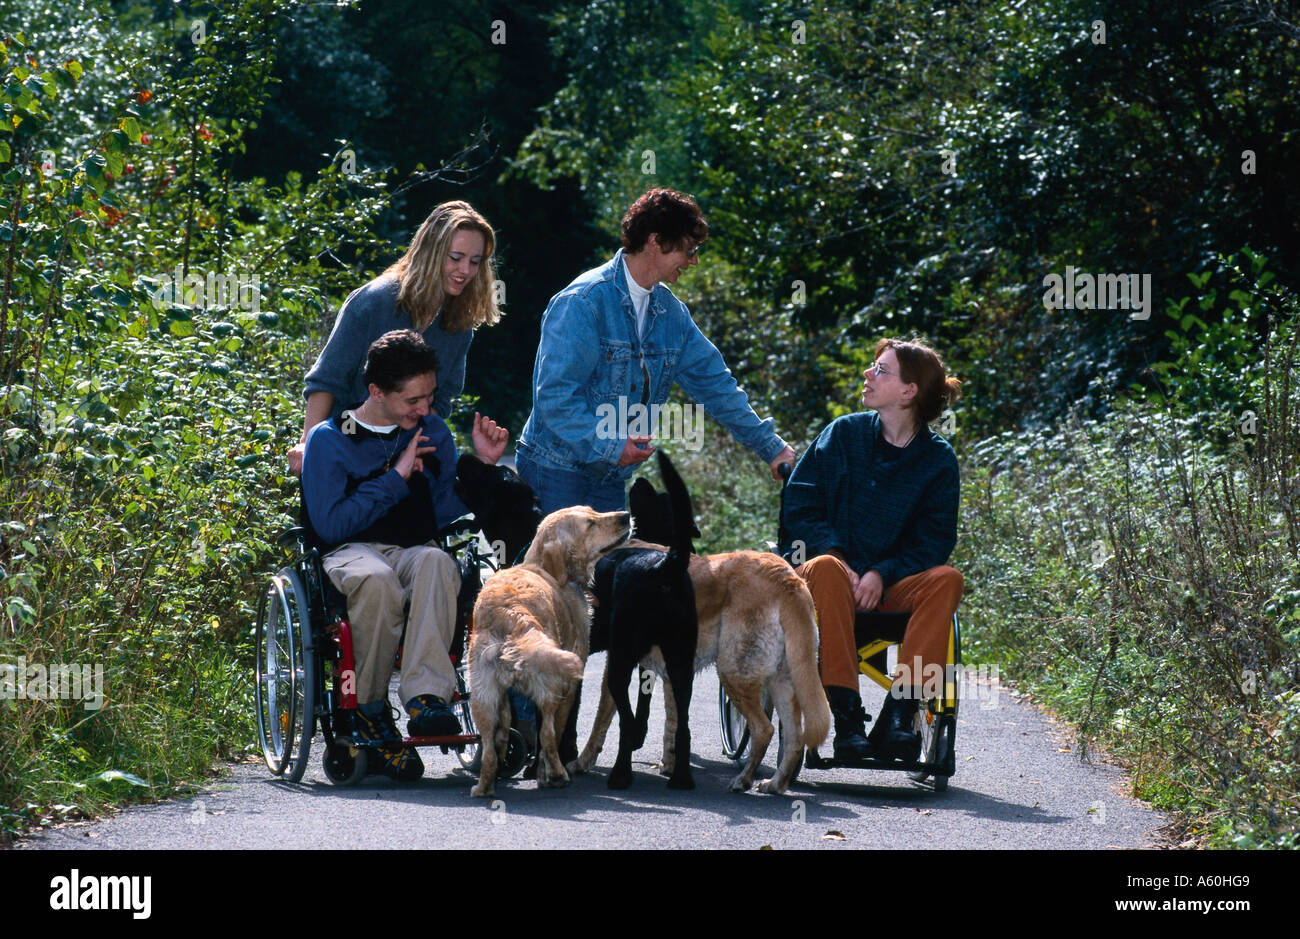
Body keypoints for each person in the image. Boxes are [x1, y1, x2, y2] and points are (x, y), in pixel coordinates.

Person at [301, 329, 509, 780]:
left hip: (412, 547)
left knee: (438, 562)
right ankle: (369, 707)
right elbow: (331, 524)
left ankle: (426, 698)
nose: (426, 410)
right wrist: (396, 476)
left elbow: (441, 512)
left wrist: (482, 466)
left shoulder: (430, 431)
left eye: (430, 396)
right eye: (413, 400)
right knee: (377, 580)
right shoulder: (330, 439)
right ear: (376, 391)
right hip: (347, 552)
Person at [515, 187, 795, 514]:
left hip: (608, 476)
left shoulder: (671, 315)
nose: (694, 261)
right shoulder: (583, 303)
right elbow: (555, 397)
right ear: (655, 241)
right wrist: (610, 445)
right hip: (555, 469)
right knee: (554, 568)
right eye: (689, 250)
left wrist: (770, 447)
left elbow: (717, 387)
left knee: (605, 566)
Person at [781, 337, 963, 762]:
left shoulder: (938, 460)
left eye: (880, 370)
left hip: (894, 584)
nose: (868, 374)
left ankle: (899, 715)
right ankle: (844, 719)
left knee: (947, 578)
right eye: (871, 366)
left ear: (908, 391)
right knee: (824, 566)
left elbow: (935, 540)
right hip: (827, 579)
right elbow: (800, 505)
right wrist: (841, 559)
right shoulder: (843, 434)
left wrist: (882, 572)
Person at [288, 200, 502, 475]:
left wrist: (412, 452)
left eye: (475, 262)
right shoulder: (374, 301)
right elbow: (327, 380)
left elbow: (440, 401)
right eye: (456, 257)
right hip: (341, 450)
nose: (465, 271)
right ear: (431, 253)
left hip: (404, 463)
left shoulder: (460, 324)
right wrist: (307, 443)